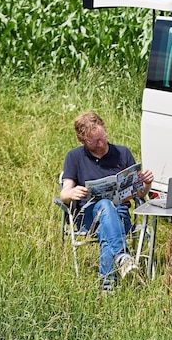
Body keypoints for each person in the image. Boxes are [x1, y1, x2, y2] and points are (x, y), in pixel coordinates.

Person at [60, 111, 154, 290]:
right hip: (89, 219)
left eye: (102, 137)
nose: (101, 143)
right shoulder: (74, 157)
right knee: (104, 205)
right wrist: (71, 192)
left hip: (121, 216)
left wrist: (147, 184)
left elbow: (140, 194)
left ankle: (108, 286)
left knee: (108, 230)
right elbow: (64, 194)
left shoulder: (122, 153)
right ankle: (123, 256)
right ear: (82, 141)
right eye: (94, 141)